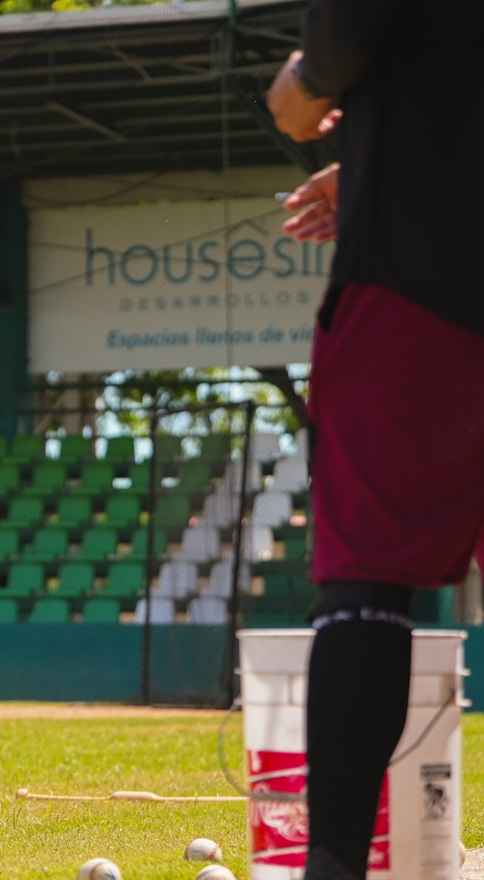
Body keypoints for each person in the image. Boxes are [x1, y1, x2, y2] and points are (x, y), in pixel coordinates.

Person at [267, 3, 484, 879]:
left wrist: (302, 86)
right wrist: (367, 164)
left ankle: (335, 868)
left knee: (371, 575)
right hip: (416, 220)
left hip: (420, 280)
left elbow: (348, 36)